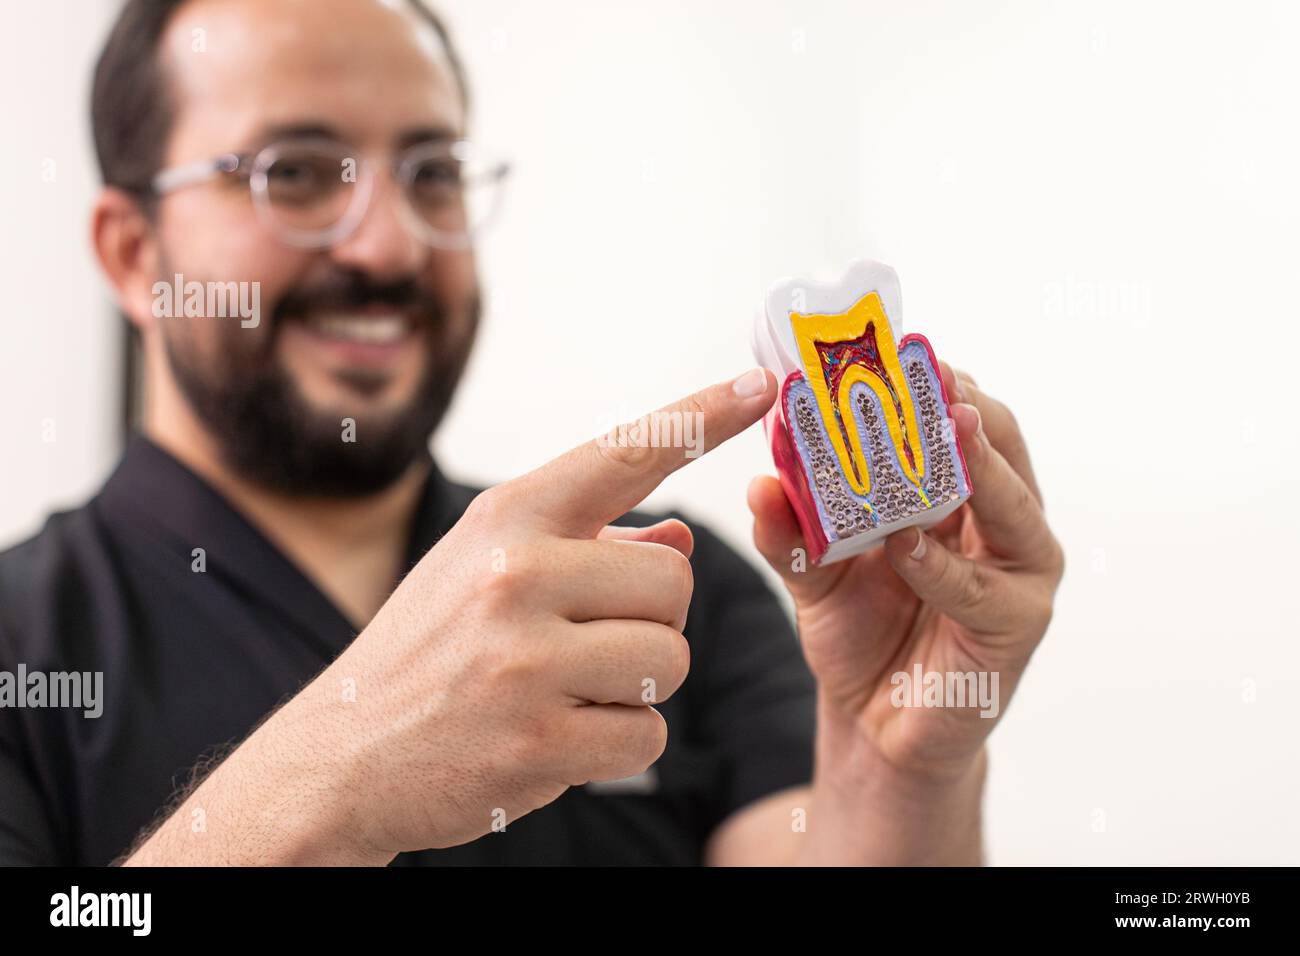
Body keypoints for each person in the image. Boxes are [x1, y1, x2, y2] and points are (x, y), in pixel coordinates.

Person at [0, 0, 1064, 866]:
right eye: (297, 172)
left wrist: (898, 769)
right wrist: (332, 775)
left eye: (432, 173)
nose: (387, 244)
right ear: (135, 253)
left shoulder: (664, 580)